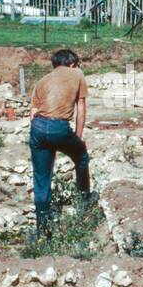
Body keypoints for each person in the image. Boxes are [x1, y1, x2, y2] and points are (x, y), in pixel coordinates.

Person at [28, 48, 93, 238]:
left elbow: (32, 113)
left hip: (38, 128)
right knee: (81, 158)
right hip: (59, 127)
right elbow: (81, 107)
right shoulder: (77, 73)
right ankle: (84, 204)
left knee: (41, 179)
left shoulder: (42, 81)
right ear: (72, 63)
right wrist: (79, 137)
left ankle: (43, 232)